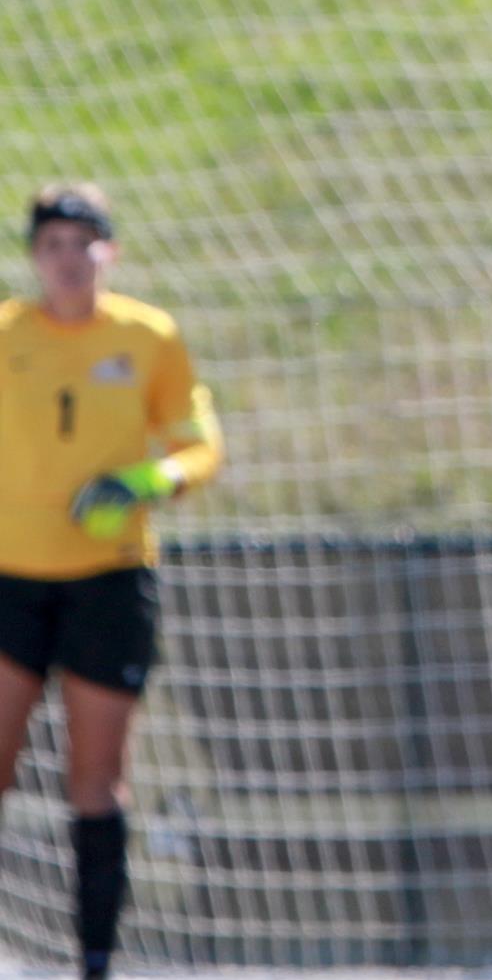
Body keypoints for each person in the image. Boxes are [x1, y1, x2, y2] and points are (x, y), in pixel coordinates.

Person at [0, 184, 224, 980]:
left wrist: (143, 481)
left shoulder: (146, 335)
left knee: (96, 779)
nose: (68, 258)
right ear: (35, 257)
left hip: (109, 581)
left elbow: (199, 445)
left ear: (110, 251)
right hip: (11, 580)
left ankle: (95, 960)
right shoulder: (7, 334)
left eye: (83, 242)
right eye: (53, 244)